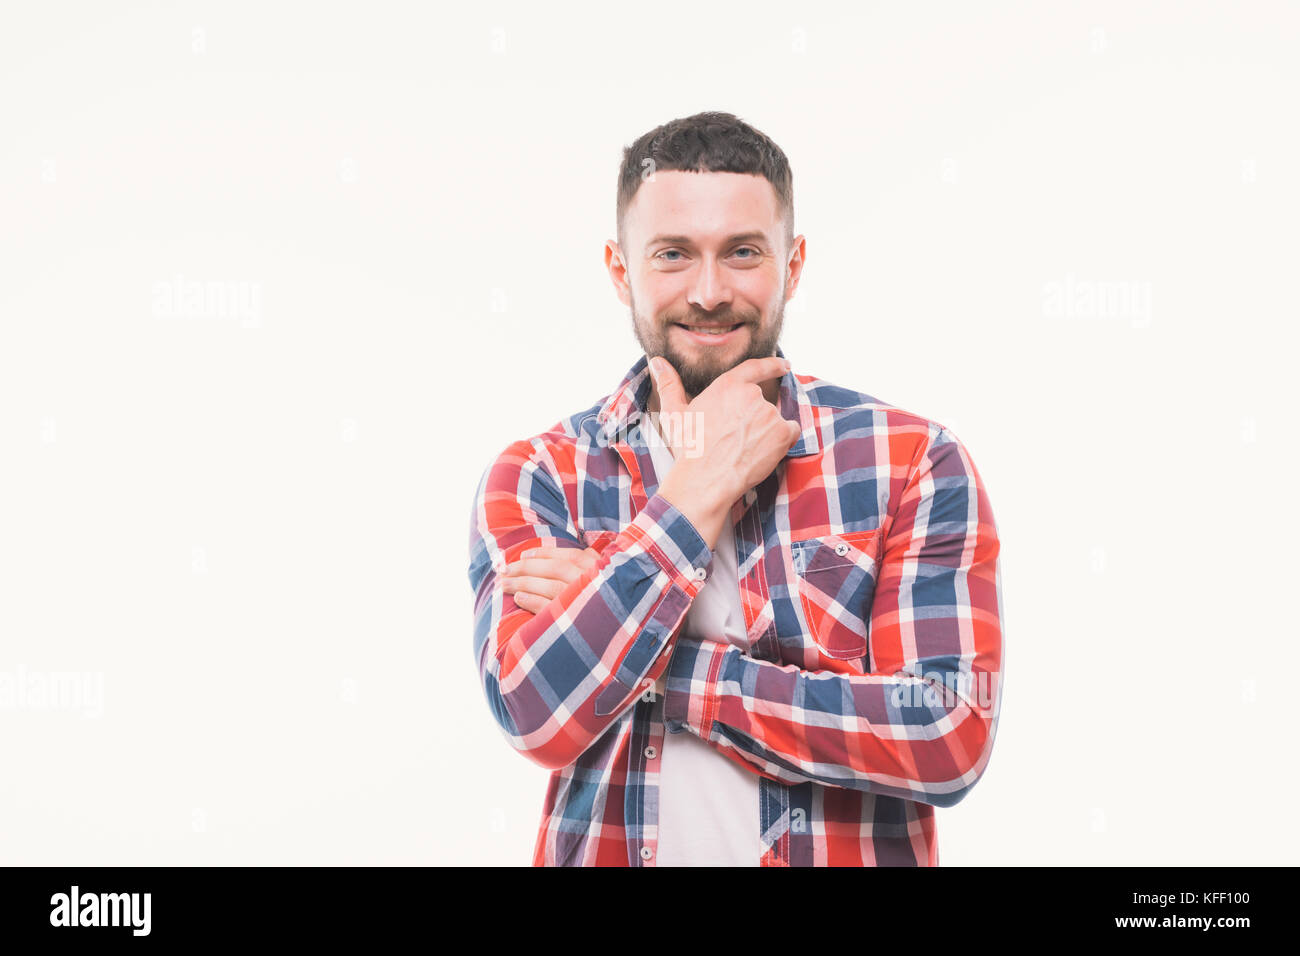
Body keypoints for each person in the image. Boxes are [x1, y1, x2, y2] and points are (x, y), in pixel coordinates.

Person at [467, 111, 1004, 866]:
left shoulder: (908, 461)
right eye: (674, 255)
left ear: (793, 264)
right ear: (623, 271)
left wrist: (651, 654)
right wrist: (700, 488)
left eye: (743, 252)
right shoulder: (542, 475)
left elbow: (946, 731)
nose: (710, 292)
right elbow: (534, 709)